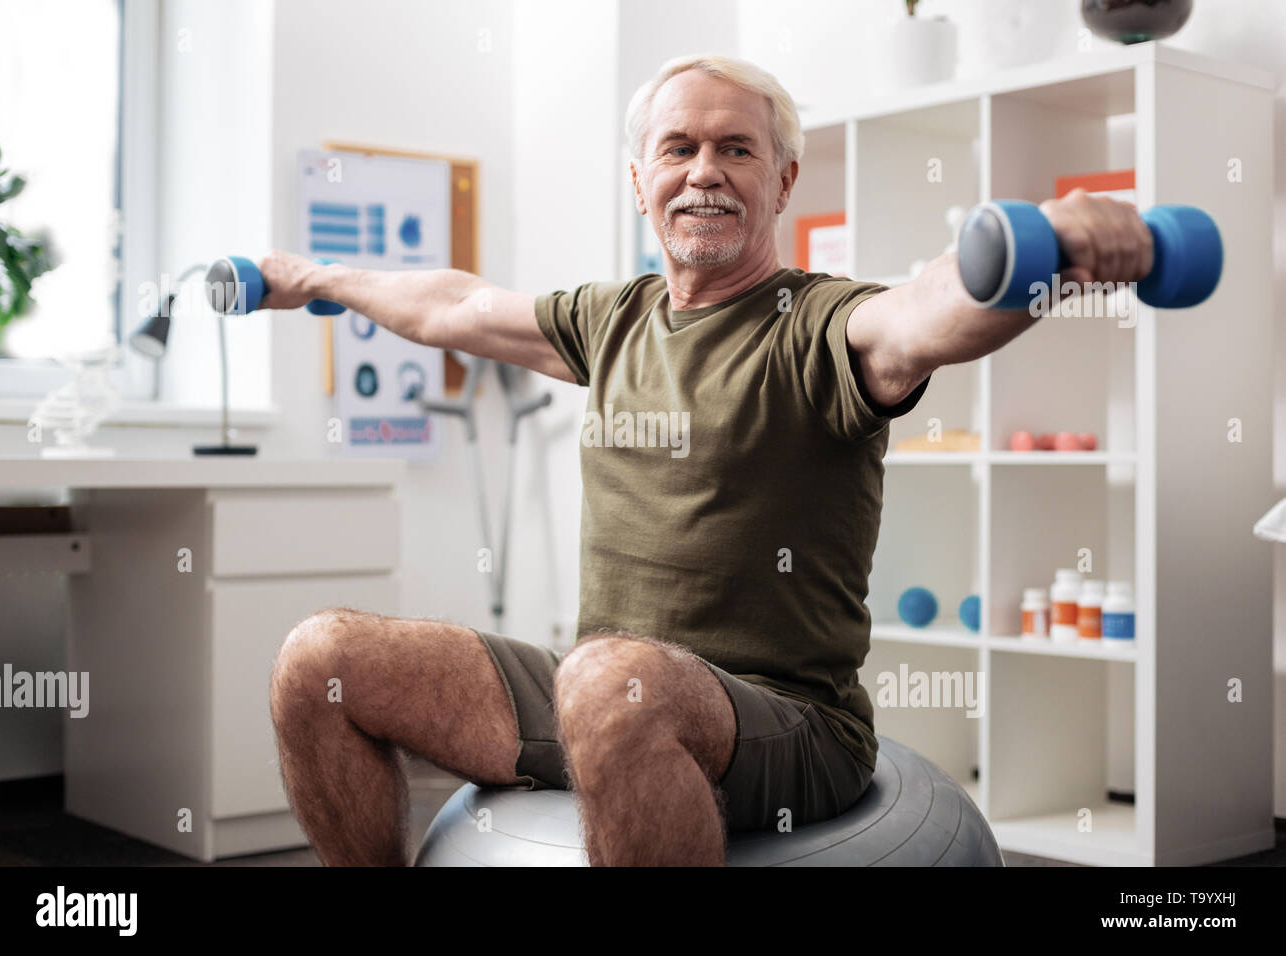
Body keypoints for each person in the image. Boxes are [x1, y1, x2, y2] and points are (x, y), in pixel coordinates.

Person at [264, 53, 1154, 867]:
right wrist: (317, 279)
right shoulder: (612, 319)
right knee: (320, 661)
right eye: (678, 148)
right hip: (599, 692)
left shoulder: (817, 324)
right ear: (639, 181)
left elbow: (926, 313)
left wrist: (1055, 244)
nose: (705, 172)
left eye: (737, 149)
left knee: (612, 680)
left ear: (783, 182)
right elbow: (455, 305)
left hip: (787, 723)